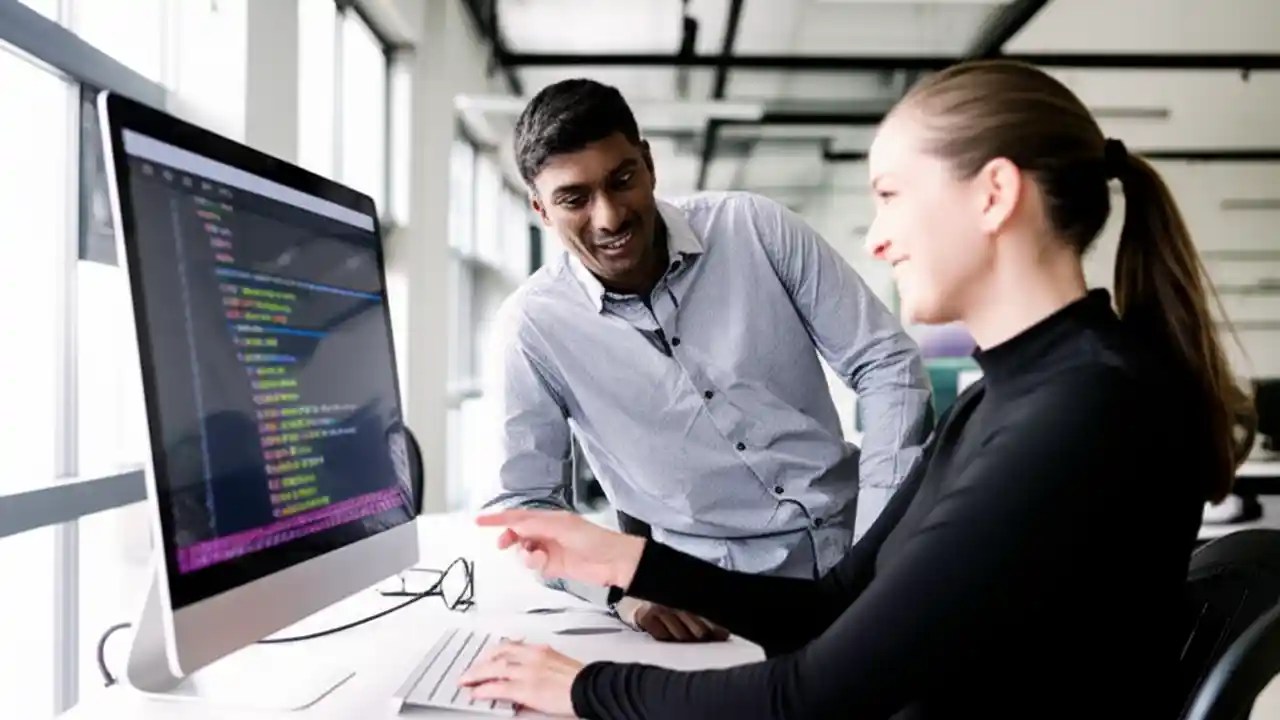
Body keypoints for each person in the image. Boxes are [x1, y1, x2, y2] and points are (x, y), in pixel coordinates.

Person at [459, 59, 1258, 718]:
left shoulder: (1076, 413)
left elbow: (815, 692)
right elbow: (829, 606)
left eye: (890, 196)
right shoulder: (1007, 397)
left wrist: (584, 690)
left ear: (993, 195)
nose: (876, 237)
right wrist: (630, 563)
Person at [486, 78, 933, 641]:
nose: (608, 218)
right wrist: (622, 594)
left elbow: (885, 364)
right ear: (540, 210)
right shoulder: (531, 327)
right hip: (712, 611)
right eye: (574, 199)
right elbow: (526, 507)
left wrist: (878, 542)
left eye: (621, 180)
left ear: (648, 164)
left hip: (858, 548)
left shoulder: (754, 227)